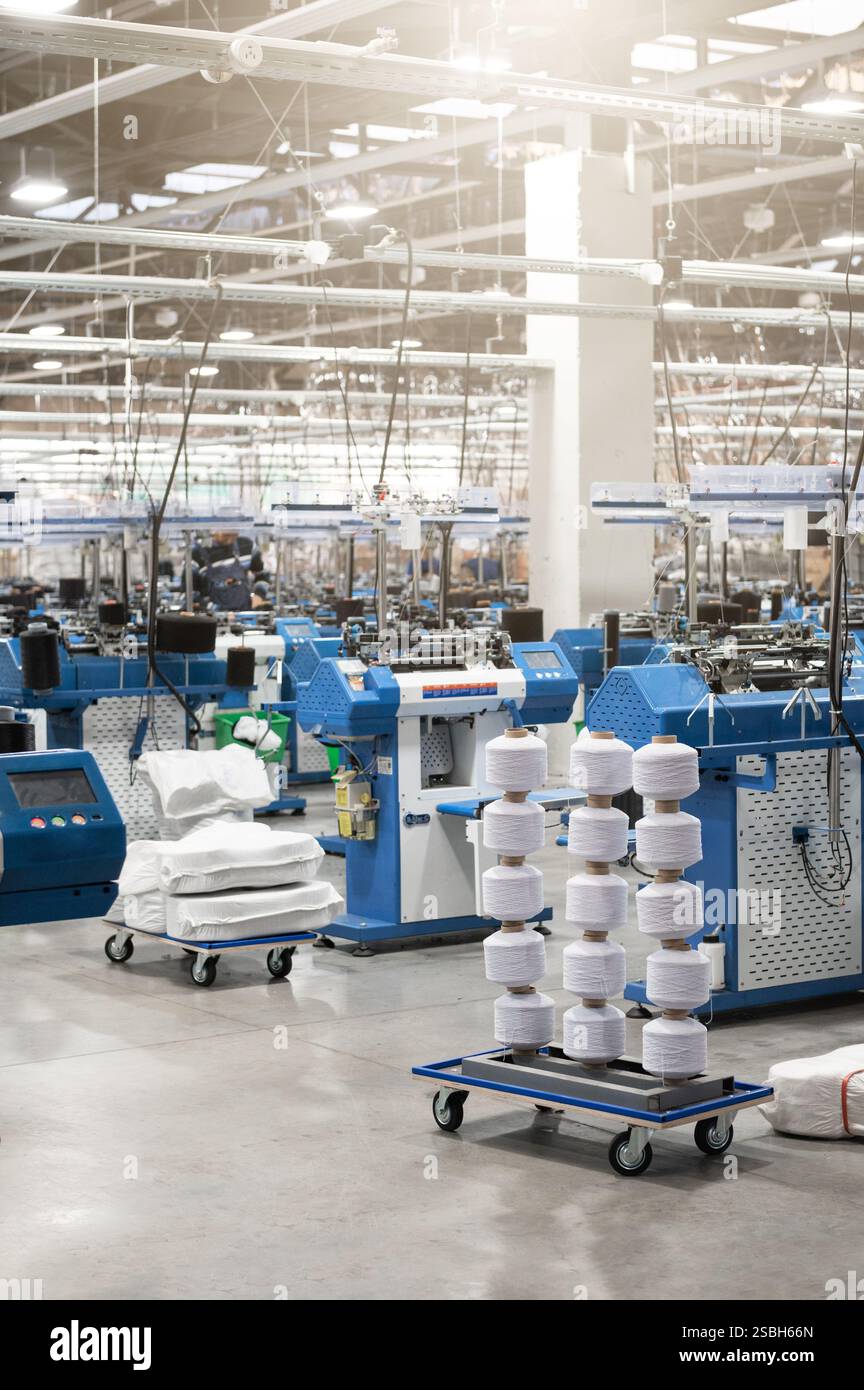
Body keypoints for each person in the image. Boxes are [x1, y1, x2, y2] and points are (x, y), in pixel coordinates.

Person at [192, 531, 264, 611]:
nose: (230, 533)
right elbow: (189, 596)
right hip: (212, 617)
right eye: (225, 532)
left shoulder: (247, 545)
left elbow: (263, 575)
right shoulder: (196, 554)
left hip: (245, 614)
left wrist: (259, 595)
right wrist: (215, 609)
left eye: (233, 529)